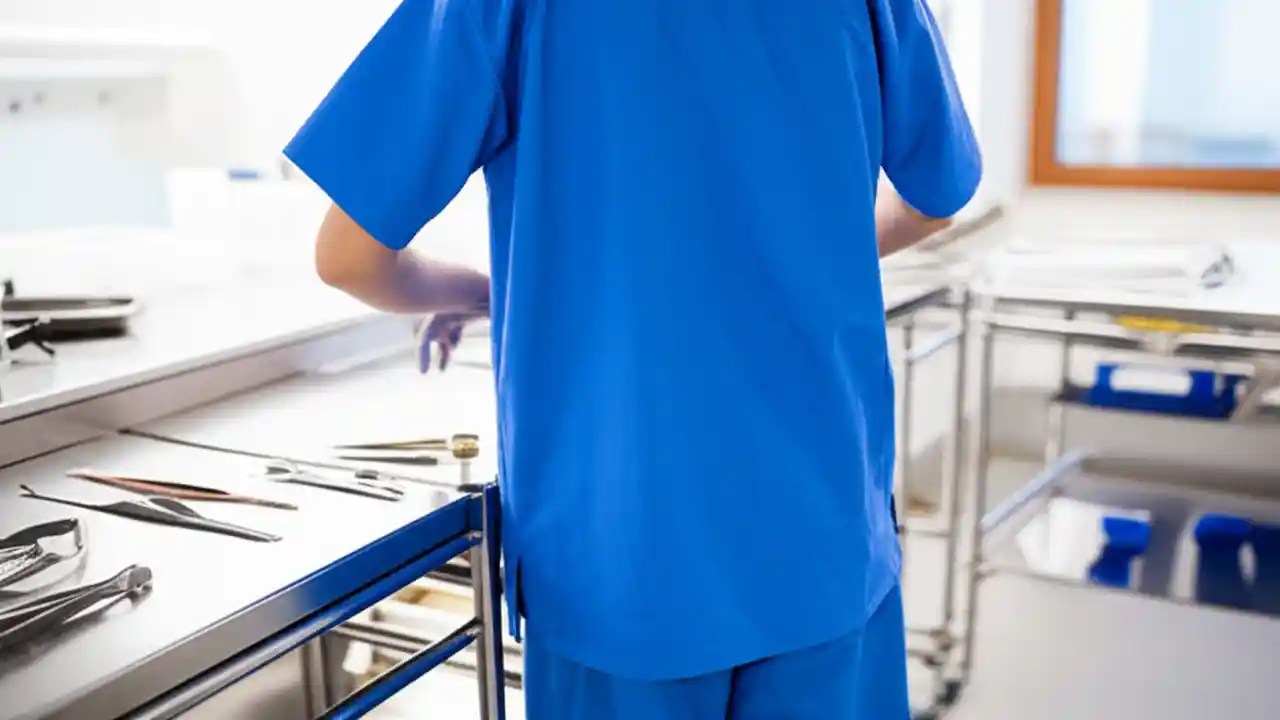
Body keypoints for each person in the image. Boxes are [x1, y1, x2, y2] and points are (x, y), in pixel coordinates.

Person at [285, 0, 979, 716]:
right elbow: (936, 199)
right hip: (819, 533)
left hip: (622, 549)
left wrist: (495, 293)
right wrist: (798, 259)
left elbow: (350, 258)